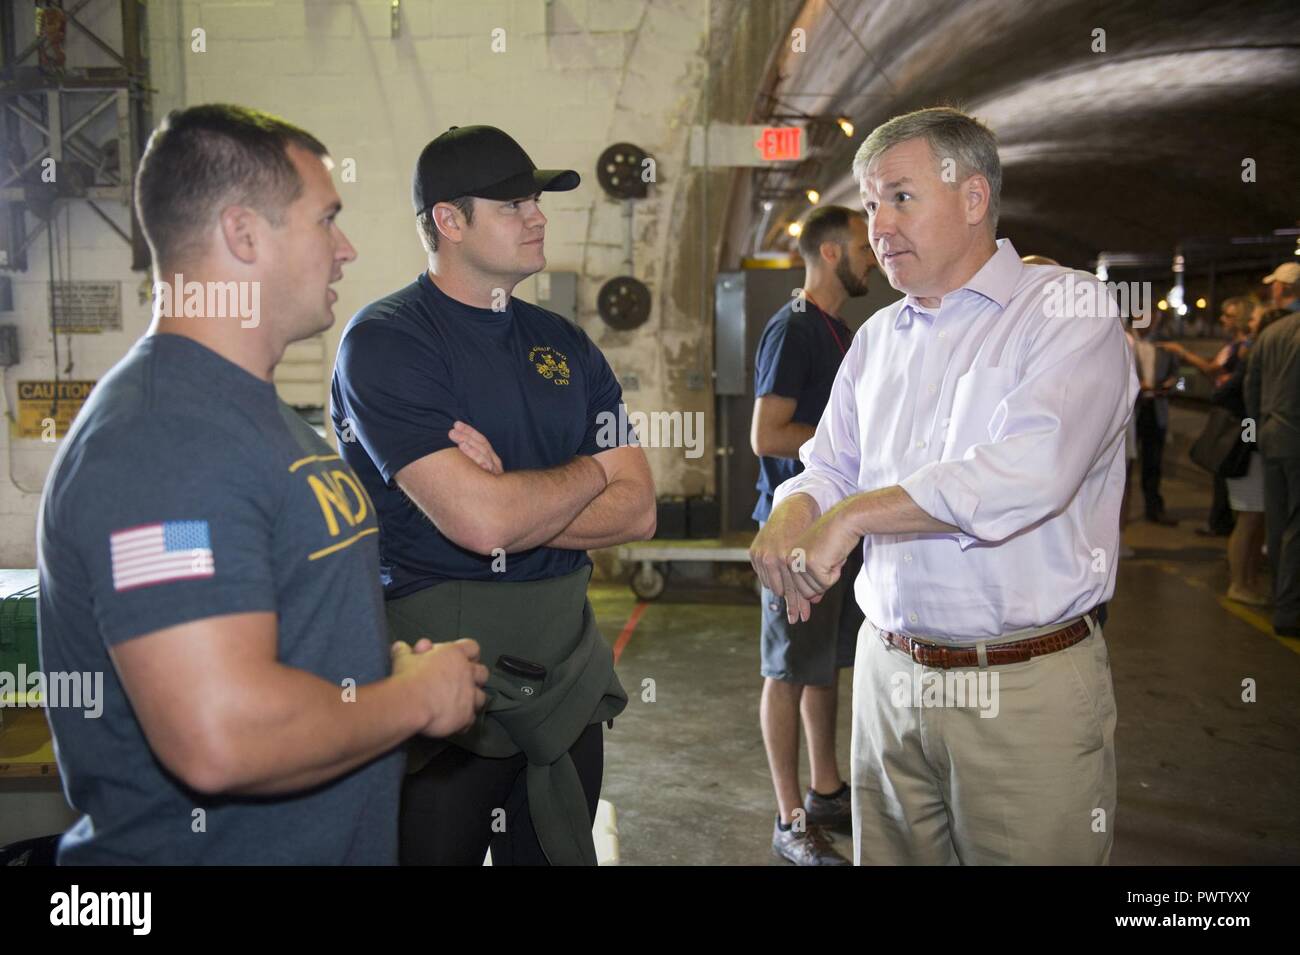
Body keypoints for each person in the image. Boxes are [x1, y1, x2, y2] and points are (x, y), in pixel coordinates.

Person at [36, 104, 488, 865]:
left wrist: (384, 682)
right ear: (243, 234)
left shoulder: (261, 418)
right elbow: (220, 735)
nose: (345, 250)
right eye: (326, 220)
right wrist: (418, 696)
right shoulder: (159, 441)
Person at [750, 106, 1136, 865]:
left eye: (900, 196)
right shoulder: (877, 341)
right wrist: (794, 513)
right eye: (868, 203)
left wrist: (856, 516)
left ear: (973, 198)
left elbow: (1029, 473)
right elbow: (829, 466)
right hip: (890, 681)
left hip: (1019, 689)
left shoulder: (1065, 312)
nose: (878, 224)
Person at [331, 125, 656, 866]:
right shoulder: (387, 343)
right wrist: (585, 472)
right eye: (514, 203)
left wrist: (510, 489)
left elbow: (639, 508)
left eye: (536, 200)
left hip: (565, 674)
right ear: (449, 221)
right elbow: (481, 523)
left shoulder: (565, 344)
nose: (537, 215)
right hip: (443, 678)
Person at [749, 204, 874, 865]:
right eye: (861, 243)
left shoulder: (838, 329)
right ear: (830, 254)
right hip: (792, 536)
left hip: (834, 532)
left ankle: (826, 789)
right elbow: (766, 435)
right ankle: (789, 815)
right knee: (788, 670)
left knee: (824, 664)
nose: (873, 253)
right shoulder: (794, 329)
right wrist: (843, 455)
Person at [1163, 296, 1255, 537]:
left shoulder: (1244, 347)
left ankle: (1229, 521)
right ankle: (1224, 519)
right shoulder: (1235, 346)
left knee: (1234, 462)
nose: (1223, 320)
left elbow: (1213, 370)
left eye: (1229, 316)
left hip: (1241, 418)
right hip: (1239, 416)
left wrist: (1182, 352)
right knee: (1226, 465)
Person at [1245, 283, 1300, 639]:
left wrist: (1254, 436)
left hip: (1270, 436)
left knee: (1278, 523)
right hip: (1296, 438)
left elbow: (1251, 387)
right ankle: (1290, 609)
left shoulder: (1272, 332)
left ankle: (1281, 600)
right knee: (1297, 526)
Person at [1131, 310, 1180, 525]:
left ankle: (1154, 507)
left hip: (1155, 407)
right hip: (1132, 409)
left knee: (1153, 461)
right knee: (1124, 464)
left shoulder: (1164, 345)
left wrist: (1171, 383)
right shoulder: (1125, 340)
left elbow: (1176, 374)